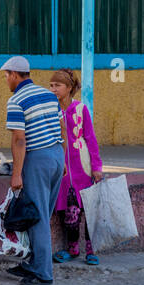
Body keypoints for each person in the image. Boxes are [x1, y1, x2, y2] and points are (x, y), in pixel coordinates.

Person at [2, 56, 63, 285]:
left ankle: (43, 274)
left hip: (37, 159)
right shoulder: (49, 95)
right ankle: (34, 264)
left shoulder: (16, 100)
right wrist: (63, 159)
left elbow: (19, 140)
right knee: (43, 215)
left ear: (15, 75)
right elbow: (61, 127)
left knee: (37, 218)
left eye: (7, 75)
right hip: (56, 155)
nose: (6, 80)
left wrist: (16, 174)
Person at [49, 69, 104, 266]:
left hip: (83, 168)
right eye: (51, 85)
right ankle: (73, 248)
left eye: (58, 85)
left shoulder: (80, 109)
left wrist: (97, 167)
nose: (53, 89)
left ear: (69, 88)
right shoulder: (50, 110)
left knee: (88, 209)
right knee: (70, 212)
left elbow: (91, 139)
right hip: (63, 170)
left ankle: (91, 250)